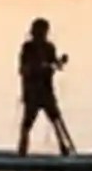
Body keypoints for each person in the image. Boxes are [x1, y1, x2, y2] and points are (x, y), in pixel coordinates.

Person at [18, 18, 74, 156]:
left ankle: (64, 149)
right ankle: (22, 153)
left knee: (56, 120)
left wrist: (60, 62)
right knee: (27, 125)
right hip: (32, 93)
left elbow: (54, 65)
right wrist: (39, 68)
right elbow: (24, 69)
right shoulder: (28, 48)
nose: (41, 35)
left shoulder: (49, 47)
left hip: (47, 92)